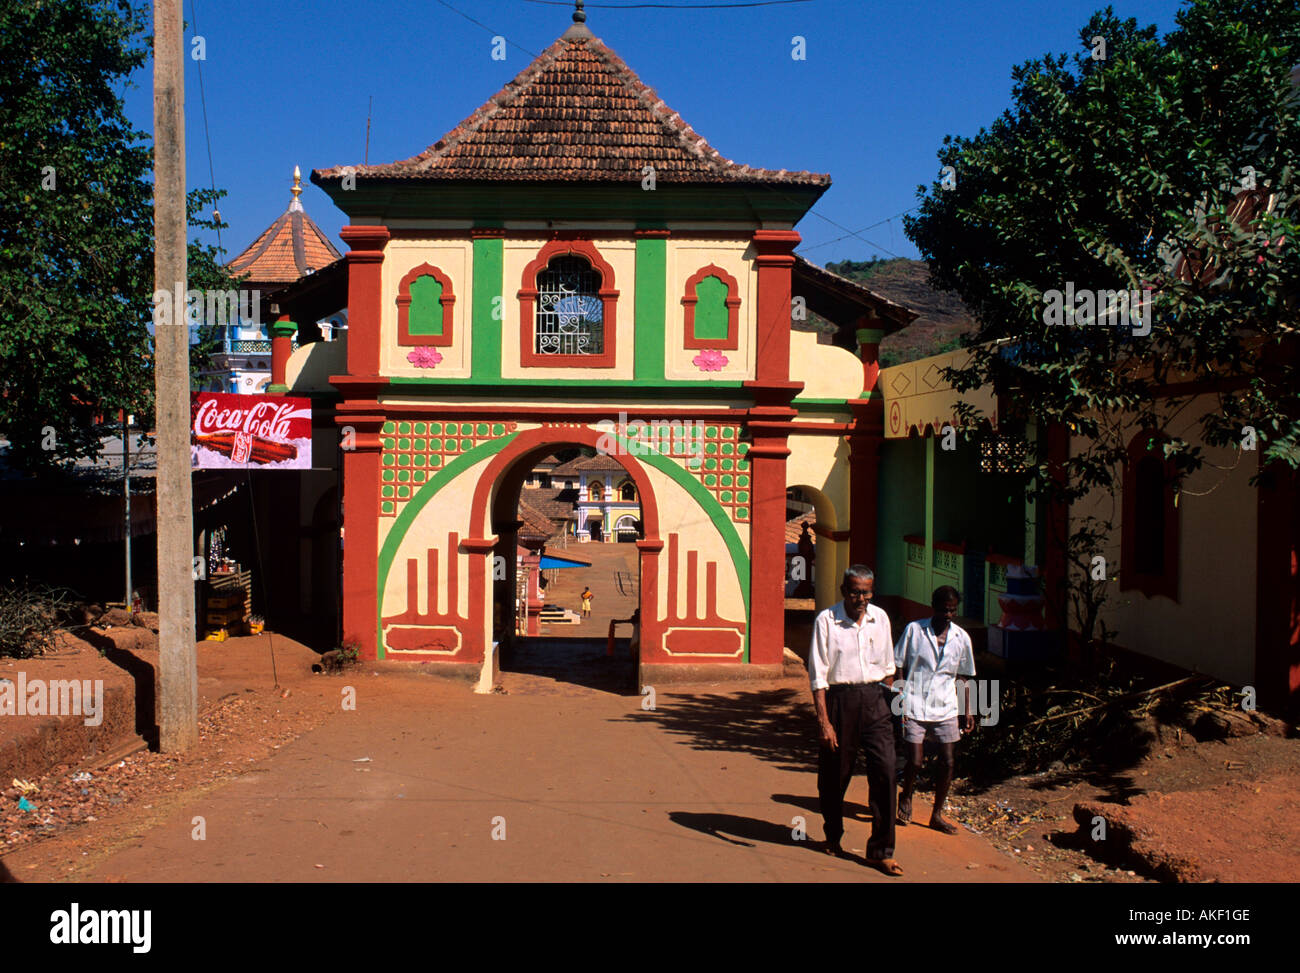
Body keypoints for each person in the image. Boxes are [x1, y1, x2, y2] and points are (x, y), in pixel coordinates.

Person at [808, 565, 901, 876]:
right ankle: (833, 835)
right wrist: (824, 722)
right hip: (840, 702)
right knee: (835, 776)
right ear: (843, 590)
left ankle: (881, 851)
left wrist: (889, 710)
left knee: (886, 772)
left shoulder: (881, 619)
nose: (861, 597)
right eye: (855, 591)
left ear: (872, 592)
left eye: (866, 591)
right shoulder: (827, 621)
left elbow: (889, 670)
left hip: (876, 701)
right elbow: (818, 677)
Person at [893, 585, 976, 835]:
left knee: (948, 761)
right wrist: (901, 699)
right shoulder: (914, 630)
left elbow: (963, 676)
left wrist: (968, 710)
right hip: (915, 703)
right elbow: (899, 666)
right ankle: (906, 795)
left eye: (952, 611)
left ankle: (936, 814)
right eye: (943, 610)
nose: (948, 615)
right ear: (934, 607)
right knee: (916, 761)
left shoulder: (961, 638)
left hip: (946, 706)